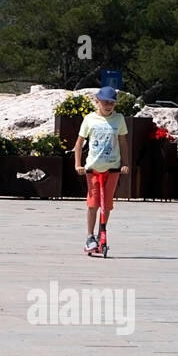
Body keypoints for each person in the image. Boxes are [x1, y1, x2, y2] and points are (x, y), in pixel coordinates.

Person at [74, 85, 129, 253]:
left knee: (107, 204)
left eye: (111, 103)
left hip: (112, 167)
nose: (108, 105)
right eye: (105, 102)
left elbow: (123, 143)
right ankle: (89, 236)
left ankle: (101, 233)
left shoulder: (119, 119)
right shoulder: (89, 119)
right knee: (93, 203)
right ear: (97, 102)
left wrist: (125, 163)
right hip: (93, 168)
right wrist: (78, 164)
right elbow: (79, 143)